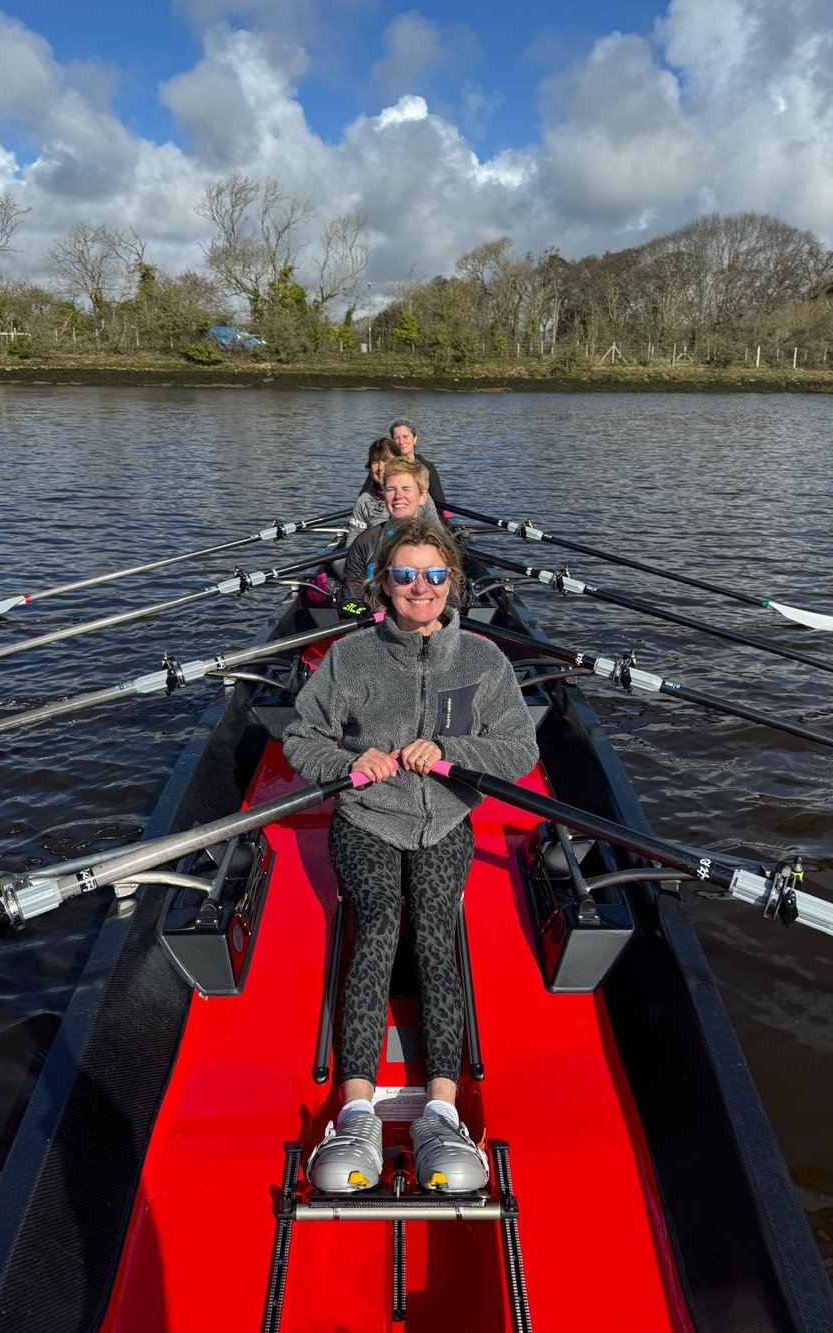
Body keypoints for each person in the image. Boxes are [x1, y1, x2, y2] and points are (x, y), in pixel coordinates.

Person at [283, 519, 539, 1194]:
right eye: (404, 575)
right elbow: (301, 737)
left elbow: (518, 751)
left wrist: (455, 755)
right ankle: (357, 1110)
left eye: (432, 575)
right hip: (367, 818)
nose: (419, 589)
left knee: (434, 936)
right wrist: (347, 759)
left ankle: (443, 1112)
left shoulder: (484, 661)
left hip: (445, 820)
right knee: (372, 932)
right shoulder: (350, 657)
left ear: (452, 582)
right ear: (383, 585)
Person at [339, 457, 440, 613]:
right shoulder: (365, 541)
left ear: (422, 497)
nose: (398, 496)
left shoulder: (438, 543)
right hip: (377, 623)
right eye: (391, 489)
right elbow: (350, 601)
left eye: (406, 489)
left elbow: (451, 598)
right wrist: (362, 613)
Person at [346, 437, 438, 547]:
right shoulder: (364, 500)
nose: (380, 468)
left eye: (386, 461)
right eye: (375, 462)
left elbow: (436, 533)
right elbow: (352, 544)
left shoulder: (421, 498)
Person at [359, 417, 445, 506]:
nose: (401, 442)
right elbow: (362, 499)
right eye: (396, 438)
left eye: (405, 437)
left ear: (415, 439)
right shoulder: (382, 466)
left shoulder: (427, 466)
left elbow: (439, 502)